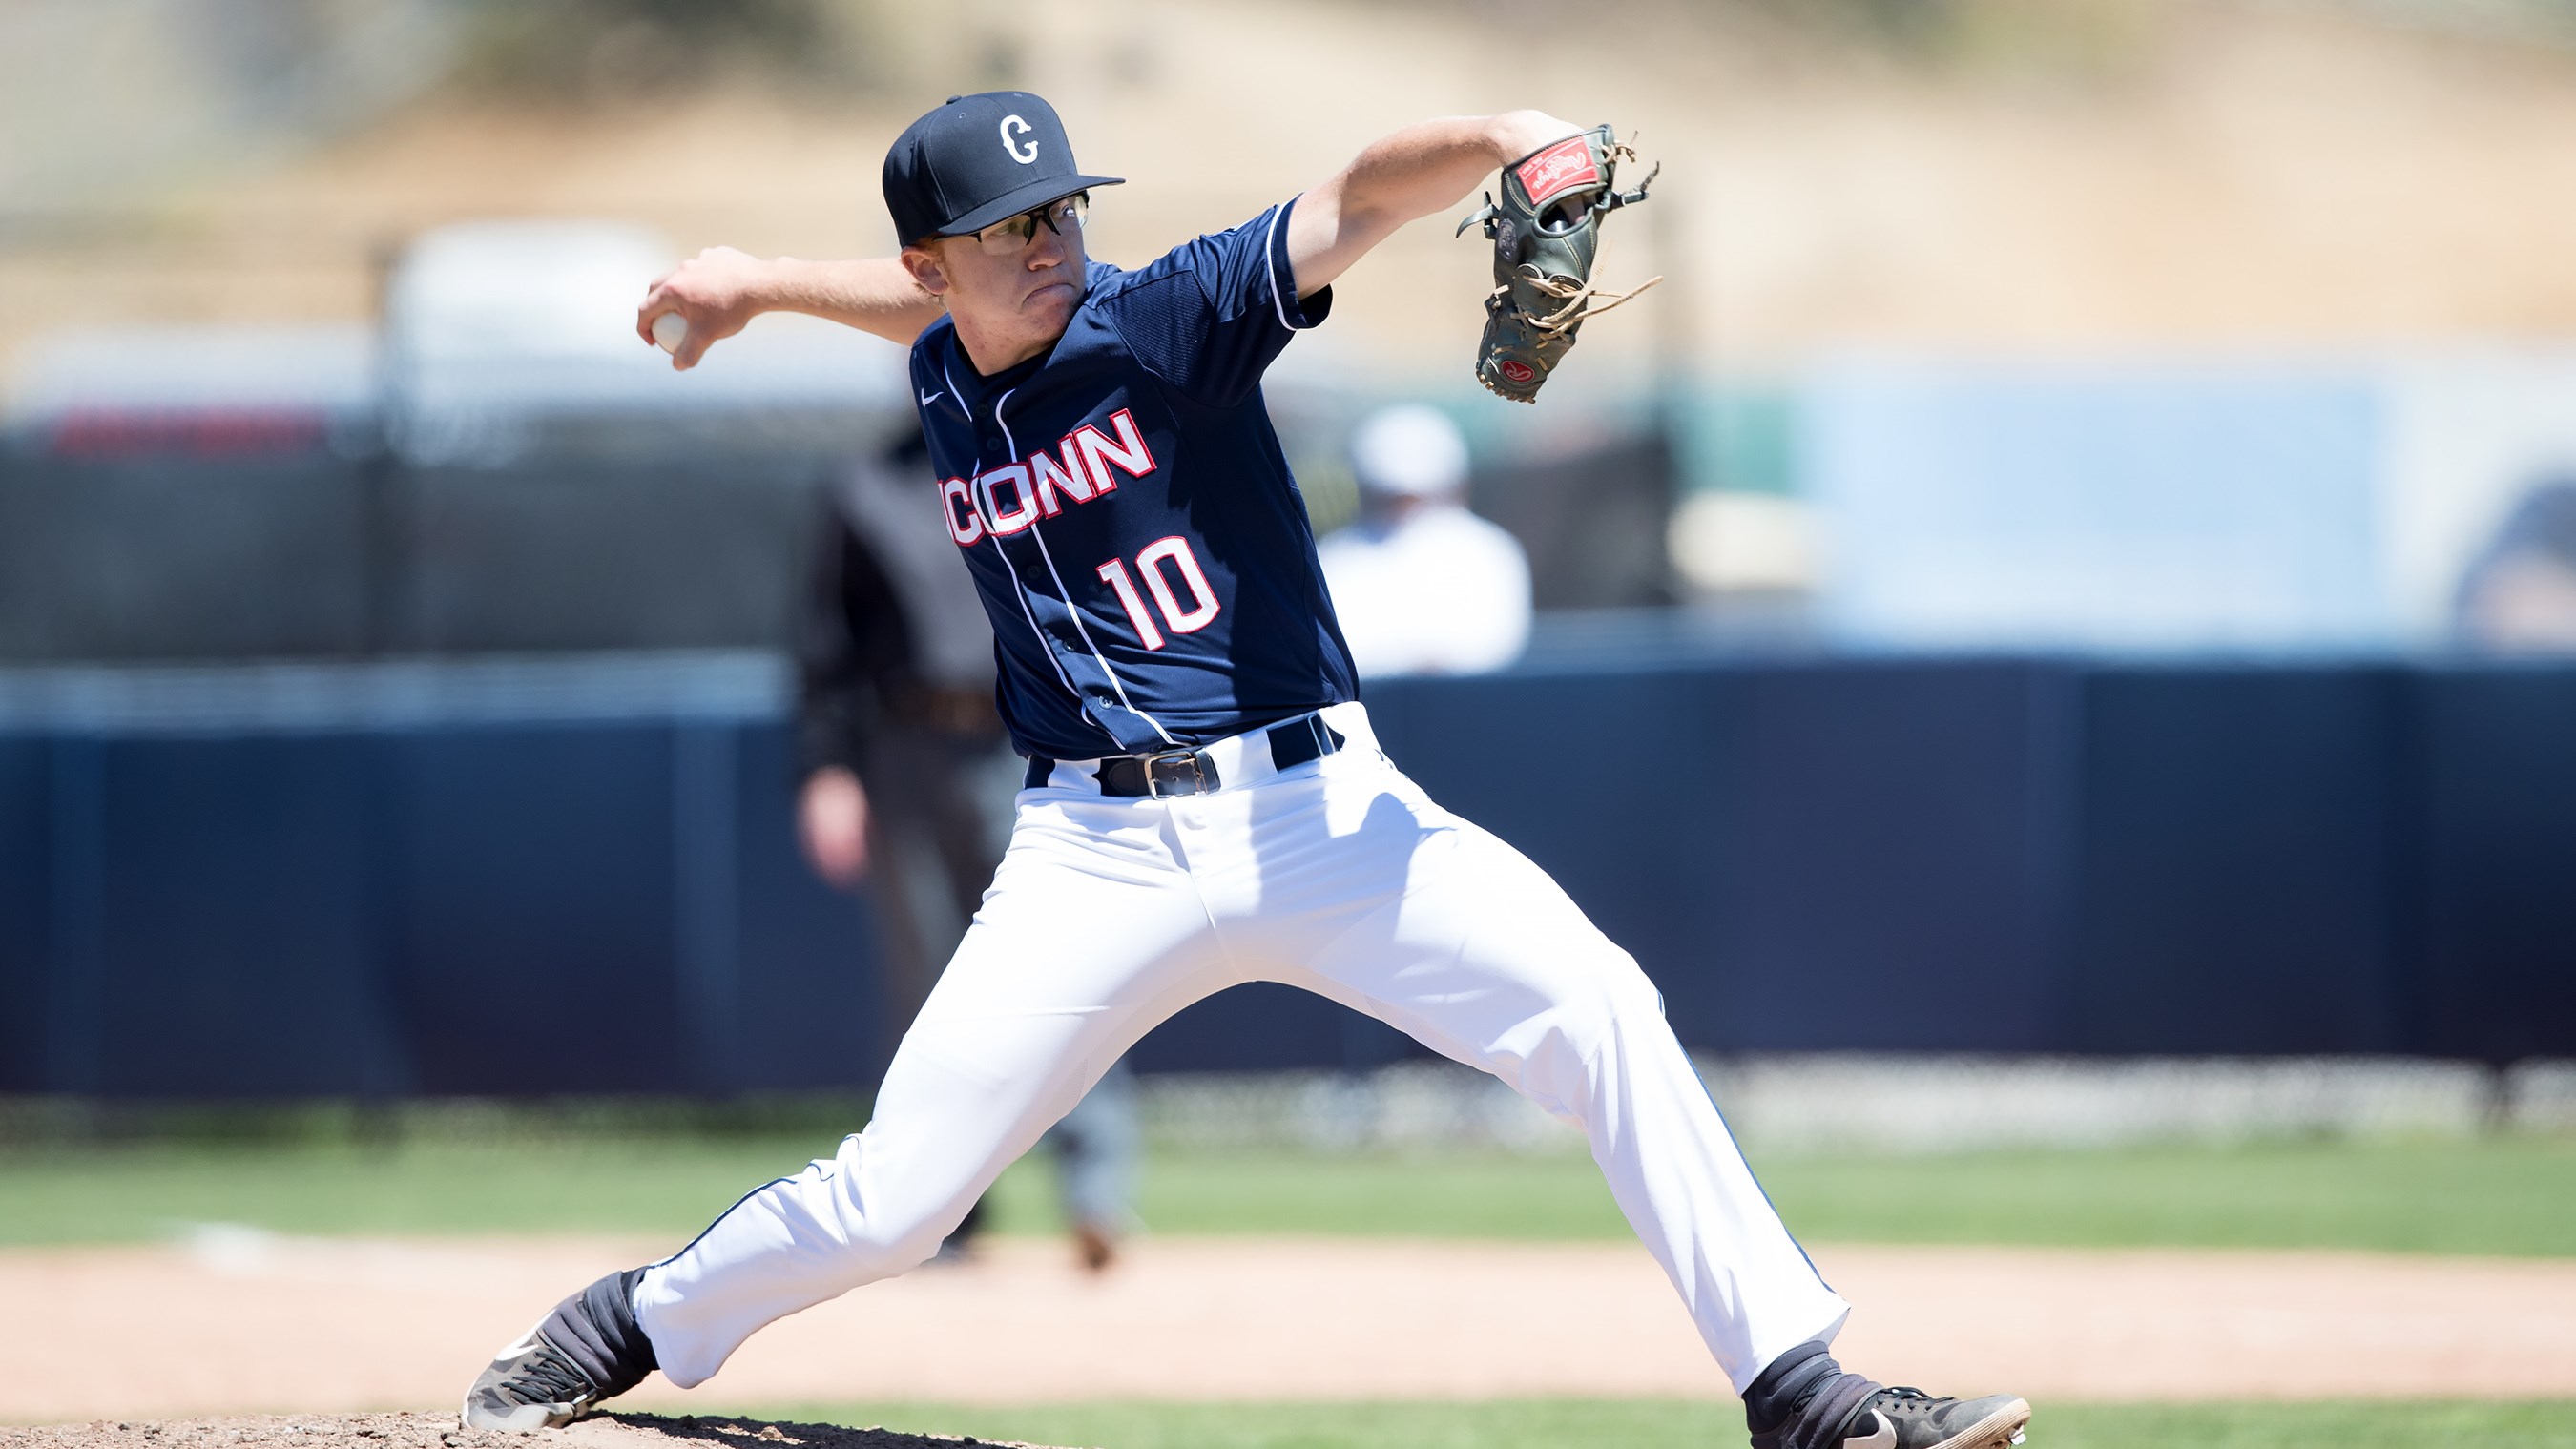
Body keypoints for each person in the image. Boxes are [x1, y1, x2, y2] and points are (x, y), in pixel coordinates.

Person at [463, 92, 2032, 1449]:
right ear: (940, 265)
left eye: (1061, 207)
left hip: (1325, 816)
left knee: (1603, 1004)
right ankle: (634, 1316)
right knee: (895, 1199)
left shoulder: (1165, 317)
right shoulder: (944, 361)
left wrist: (1503, 139)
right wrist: (751, 282)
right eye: (1011, 227)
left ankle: (1798, 1384)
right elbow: (910, 307)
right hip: (1092, 856)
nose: (1051, 240)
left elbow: (1352, 200)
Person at [795, 424, 1137, 1271]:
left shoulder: (1049, 452)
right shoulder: (868, 484)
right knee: (927, 986)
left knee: (1068, 967)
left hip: (1030, 744)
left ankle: (1096, 1193)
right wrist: (826, 768)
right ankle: (944, 1214)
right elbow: (823, 644)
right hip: (903, 744)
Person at [1317, 404, 1532, 676]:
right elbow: (1339, 651)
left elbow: (1493, 644)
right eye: (1390, 496)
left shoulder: (1489, 551)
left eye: (1419, 496)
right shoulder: (1337, 555)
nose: (1406, 509)